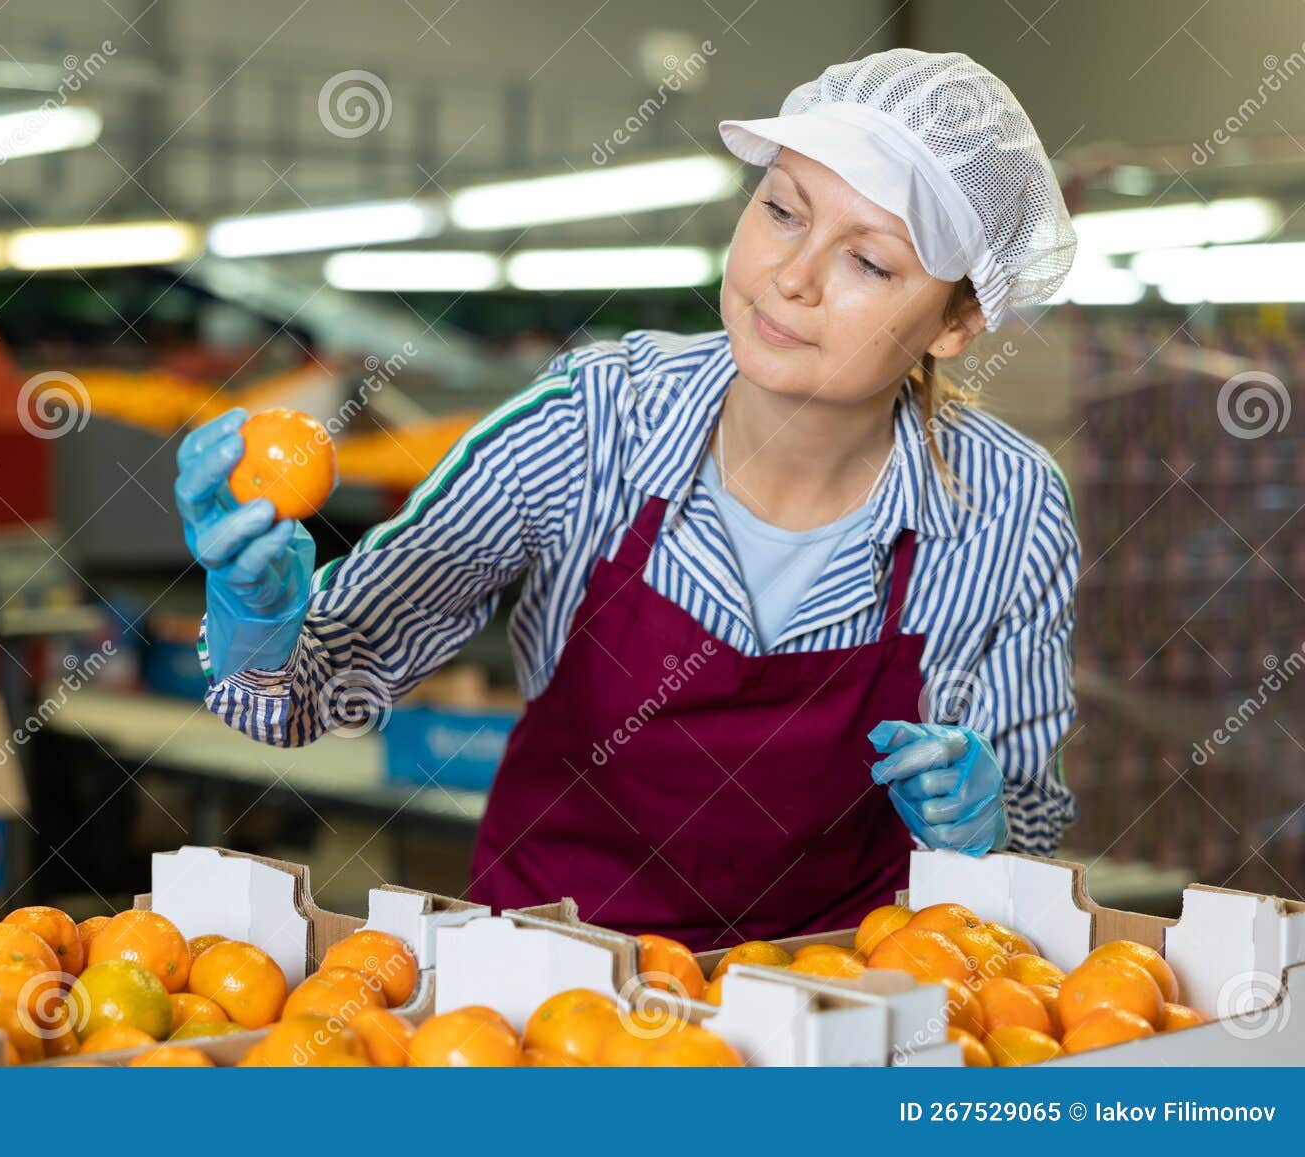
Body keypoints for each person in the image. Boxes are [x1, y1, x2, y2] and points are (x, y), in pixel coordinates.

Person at [175, 48, 1080, 949]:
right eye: (780, 210)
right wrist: (259, 618)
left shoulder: (1008, 509)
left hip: (829, 1008)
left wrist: (987, 830)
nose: (792, 277)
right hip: (542, 1000)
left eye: (869, 263)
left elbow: (1027, 838)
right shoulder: (593, 420)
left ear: (958, 321)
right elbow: (296, 697)